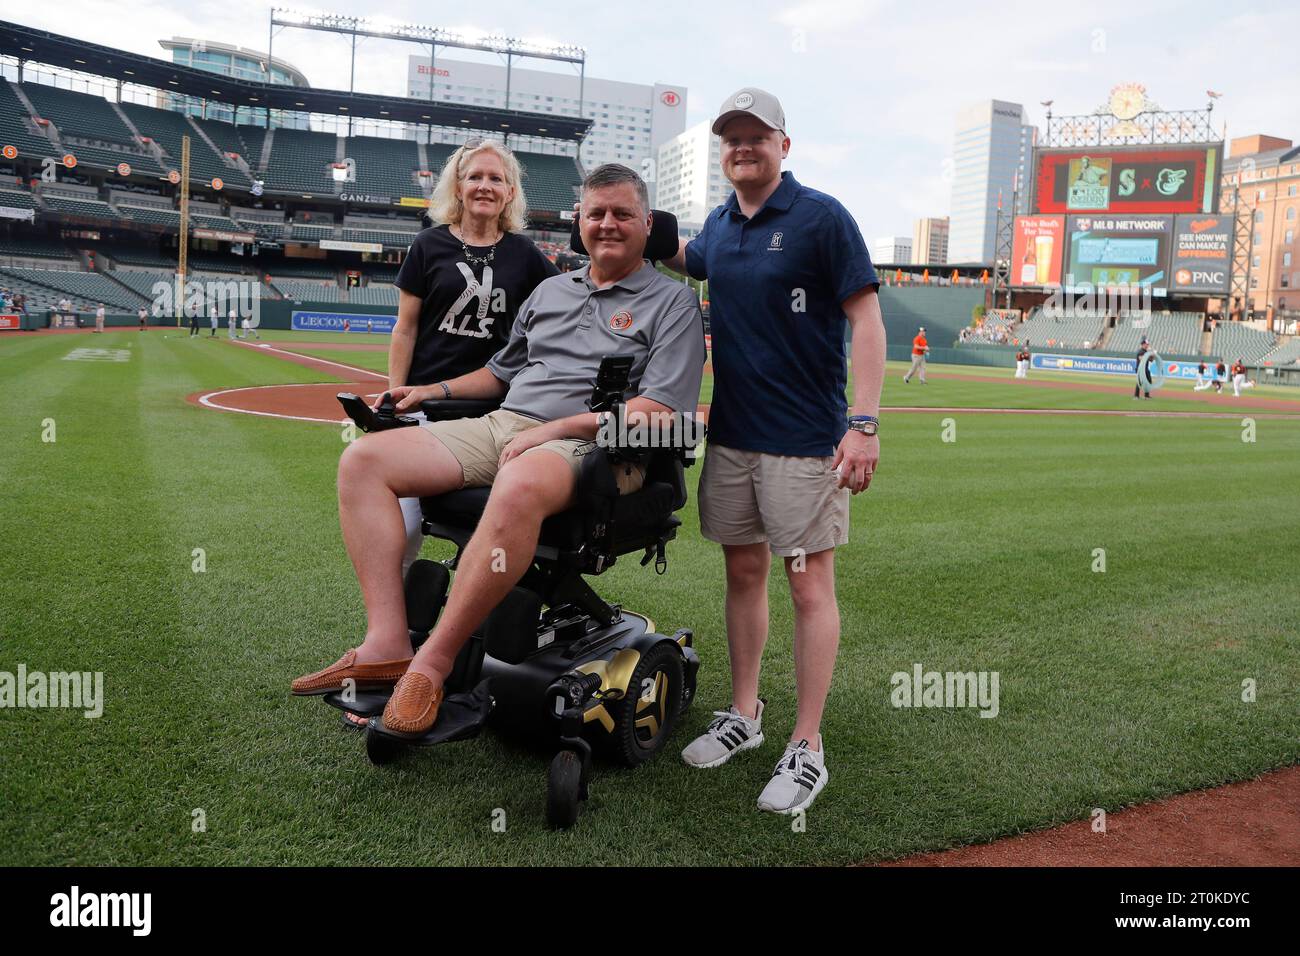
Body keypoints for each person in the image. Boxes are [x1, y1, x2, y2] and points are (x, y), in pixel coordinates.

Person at [291, 164, 706, 739]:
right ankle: (387, 643)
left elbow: (662, 411)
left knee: (522, 478)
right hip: (506, 424)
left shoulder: (674, 303)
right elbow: (499, 372)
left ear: (648, 223)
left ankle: (431, 664)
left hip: (604, 448)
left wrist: (556, 428)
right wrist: (430, 391)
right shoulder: (552, 289)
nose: (607, 225)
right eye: (595, 214)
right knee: (364, 461)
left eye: (622, 214)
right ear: (579, 223)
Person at [661, 87, 885, 814]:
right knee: (744, 571)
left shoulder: (822, 217)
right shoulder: (719, 227)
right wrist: (617, 220)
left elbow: (868, 321)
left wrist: (866, 422)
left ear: (783, 146)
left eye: (757, 136)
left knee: (807, 585)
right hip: (732, 436)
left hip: (804, 441)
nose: (743, 147)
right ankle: (746, 716)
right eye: (731, 138)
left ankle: (808, 745)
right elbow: (687, 257)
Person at [389, 139, 558, 578]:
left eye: (496, 179)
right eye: (475, 177)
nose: (485, 186)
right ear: (458, 187)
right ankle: (396, 632)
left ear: (510, 193)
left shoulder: (525, 254)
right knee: (405, 530)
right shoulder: (427, 244)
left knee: (488, 529)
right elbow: (405, 327)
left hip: (494, 414)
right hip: (425, 407)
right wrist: (395, 392)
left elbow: (565, 300)